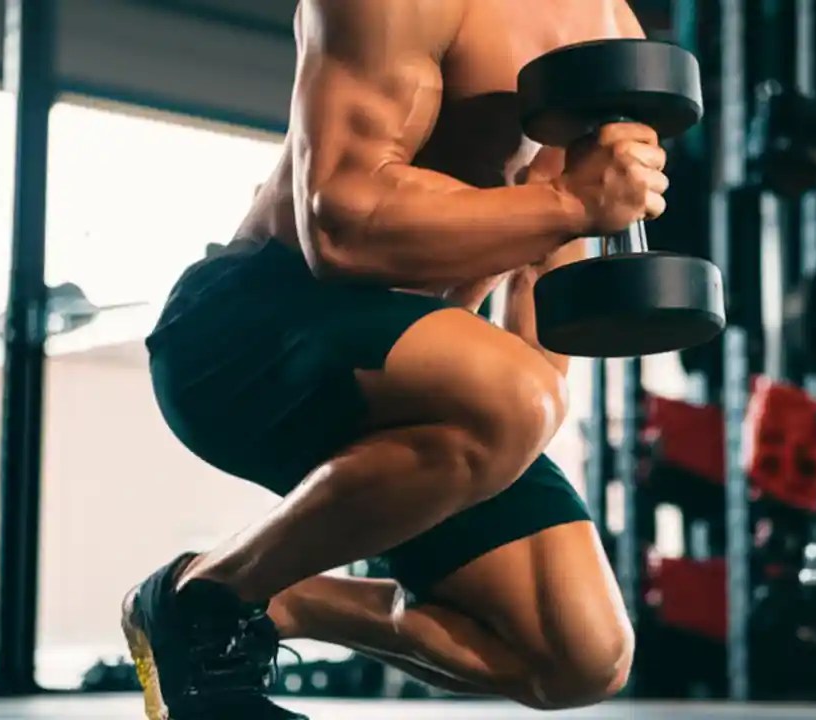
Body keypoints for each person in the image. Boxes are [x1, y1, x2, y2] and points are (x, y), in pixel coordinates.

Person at [122, 1, 670, 718]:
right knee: (513, 397)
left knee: (579, 657)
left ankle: (272, 596)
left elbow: (544, 263)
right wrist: (570, 204)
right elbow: (340, 224)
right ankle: (204, 607)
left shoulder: (611, 27)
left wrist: (506, 433)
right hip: (249, 333)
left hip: (422, 378)